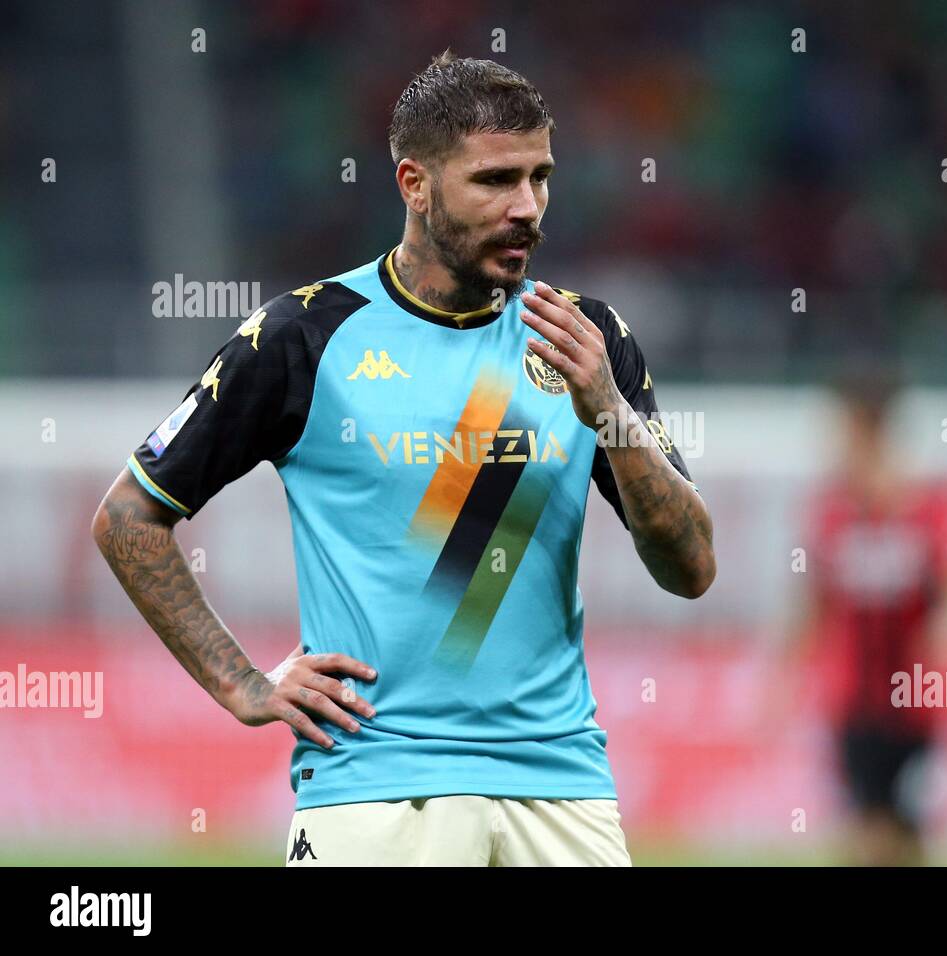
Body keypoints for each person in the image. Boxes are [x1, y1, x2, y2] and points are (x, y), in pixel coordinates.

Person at [91, 51, 714, 867]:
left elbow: (691, 567)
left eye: (541, 177)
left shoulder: (585, 340)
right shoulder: (304, 337)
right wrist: (242, 683)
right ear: (414, 184)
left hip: (562, 787)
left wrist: (608, 410)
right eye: (495, 181)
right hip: (375, 791)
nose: (527, 207)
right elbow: (129, 520)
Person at [784, 377, 947, 865]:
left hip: (920, 711)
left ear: (873, 435)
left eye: (844, 435)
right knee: (866, 840)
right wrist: (782, 677)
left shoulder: (932, 508)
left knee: (908, 841)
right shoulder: (832, 512)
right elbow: (810, 601)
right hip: (855, 709)